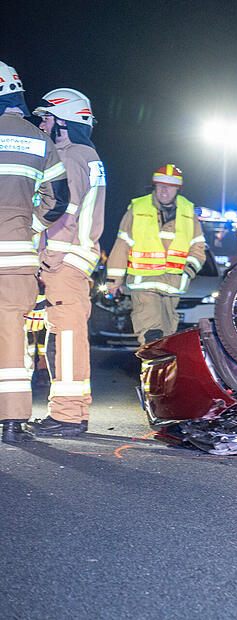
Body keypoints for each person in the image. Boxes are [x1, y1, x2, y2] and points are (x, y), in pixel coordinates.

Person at [27, 88, 106, 437]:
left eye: (46, 117)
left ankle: (68, 416)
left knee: (66, 339)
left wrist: (48, 257)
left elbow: (64, 211)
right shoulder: (87, 155)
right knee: (63, 338)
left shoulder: (71, 157)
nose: (41, 123)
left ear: (63, 122)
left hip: (64, 261)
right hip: (75, 261)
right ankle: (73, 412)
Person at [0, 61, 70, 443]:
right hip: (14, 262)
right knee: (11, 340)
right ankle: (12, 423)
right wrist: (32, 224)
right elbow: (59, 200)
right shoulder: (37, 140)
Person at [105, 165, 206, 346]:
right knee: (152, 334)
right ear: (154, 186)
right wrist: (114, 280)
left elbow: (198, 248)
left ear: (177, 189)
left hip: (173, 287)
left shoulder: (189, 212)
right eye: (160, 186)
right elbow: (122, 244)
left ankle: (158, 372)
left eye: (169, 187)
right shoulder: (138, 209)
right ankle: (151, 370)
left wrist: (188, 272)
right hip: (144, 285)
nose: (164, 191)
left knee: (166, 338)